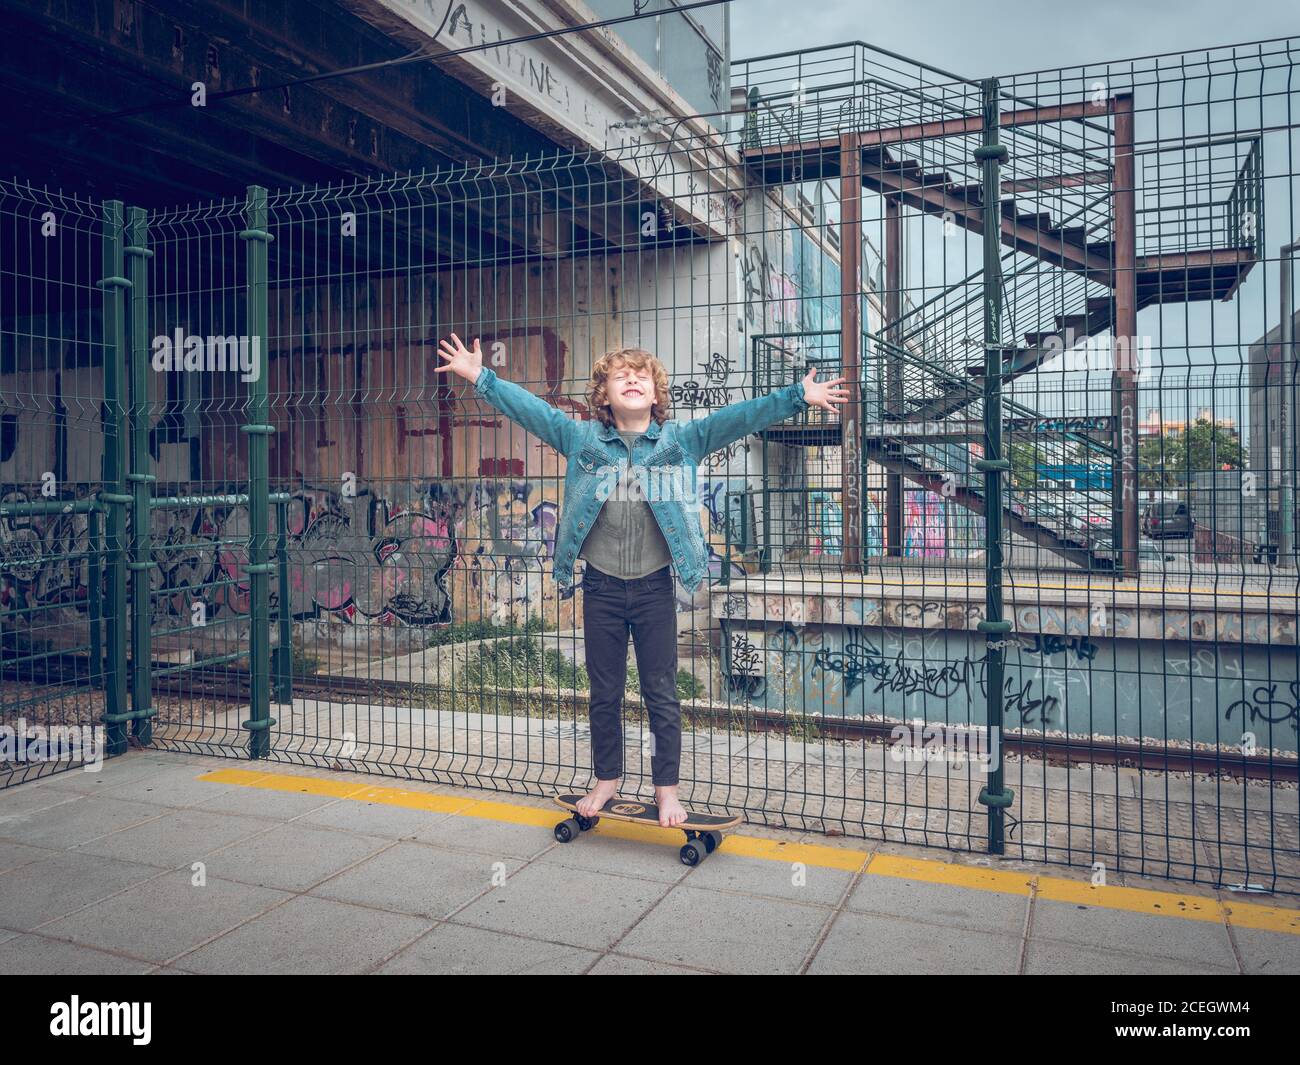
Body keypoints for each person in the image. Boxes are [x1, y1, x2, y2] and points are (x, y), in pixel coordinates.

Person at [436, 334, 848, 826]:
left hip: (654, 589)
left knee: (661, 691)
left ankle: (666, 791)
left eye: (642, 375)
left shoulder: (680, 443)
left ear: (656, 395)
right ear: (603, 396)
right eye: (619, 375)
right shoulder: (582, 439)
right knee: (603, 690)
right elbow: (532, 411)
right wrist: (481, 376)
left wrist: (796, 396)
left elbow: (737, 418)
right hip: (602, 589)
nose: (632, 379)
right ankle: (606, 779)